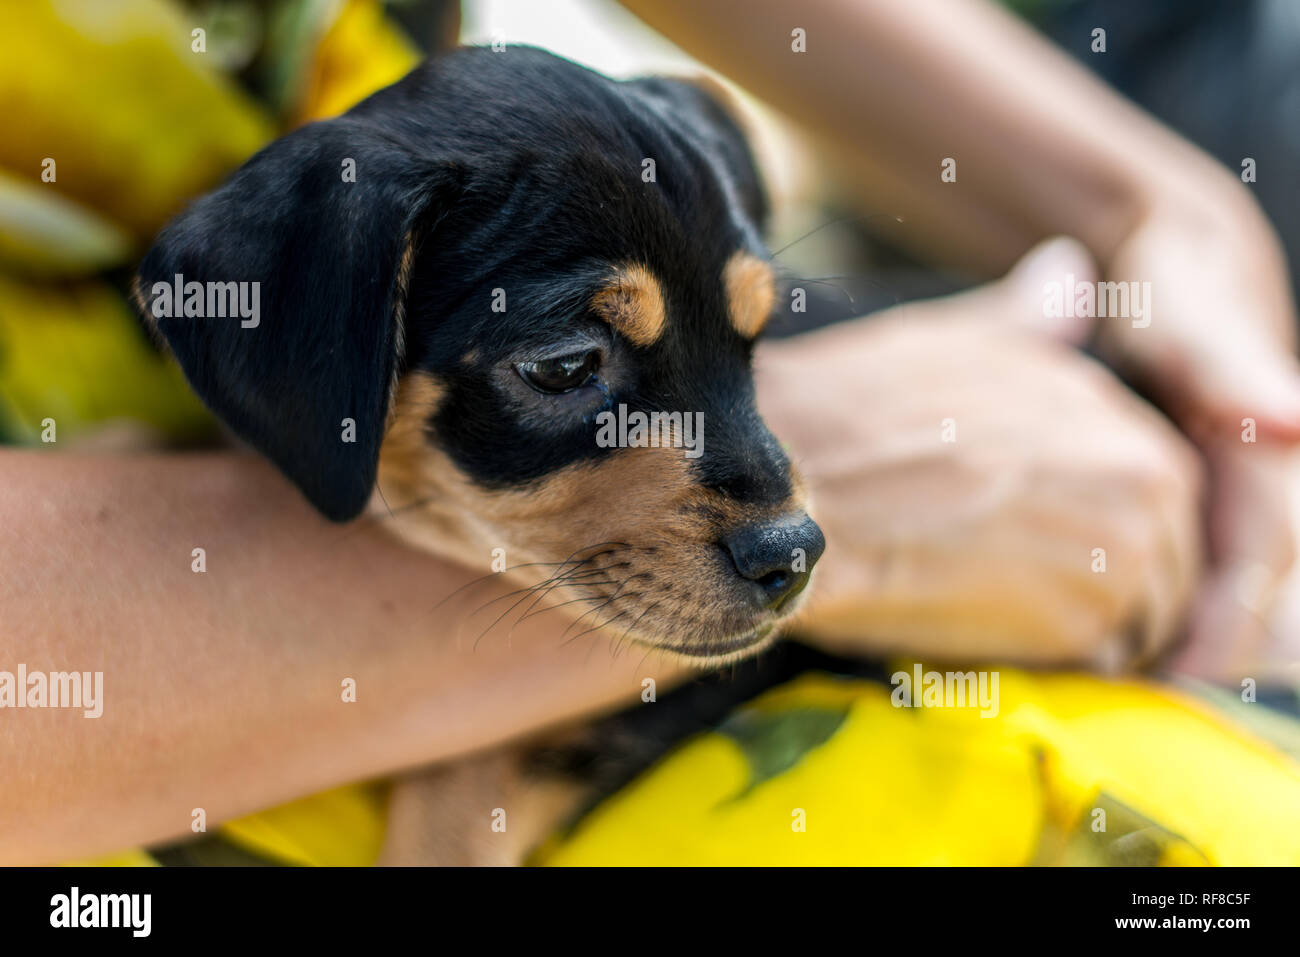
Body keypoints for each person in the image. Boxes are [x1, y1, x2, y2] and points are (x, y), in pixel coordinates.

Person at [1, 0, 1295, 863]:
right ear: (305, 342)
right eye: (570, 366)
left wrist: (1154, 205)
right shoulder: (343, 255)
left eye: (742, 333)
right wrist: (879, 499)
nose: (783, 519)